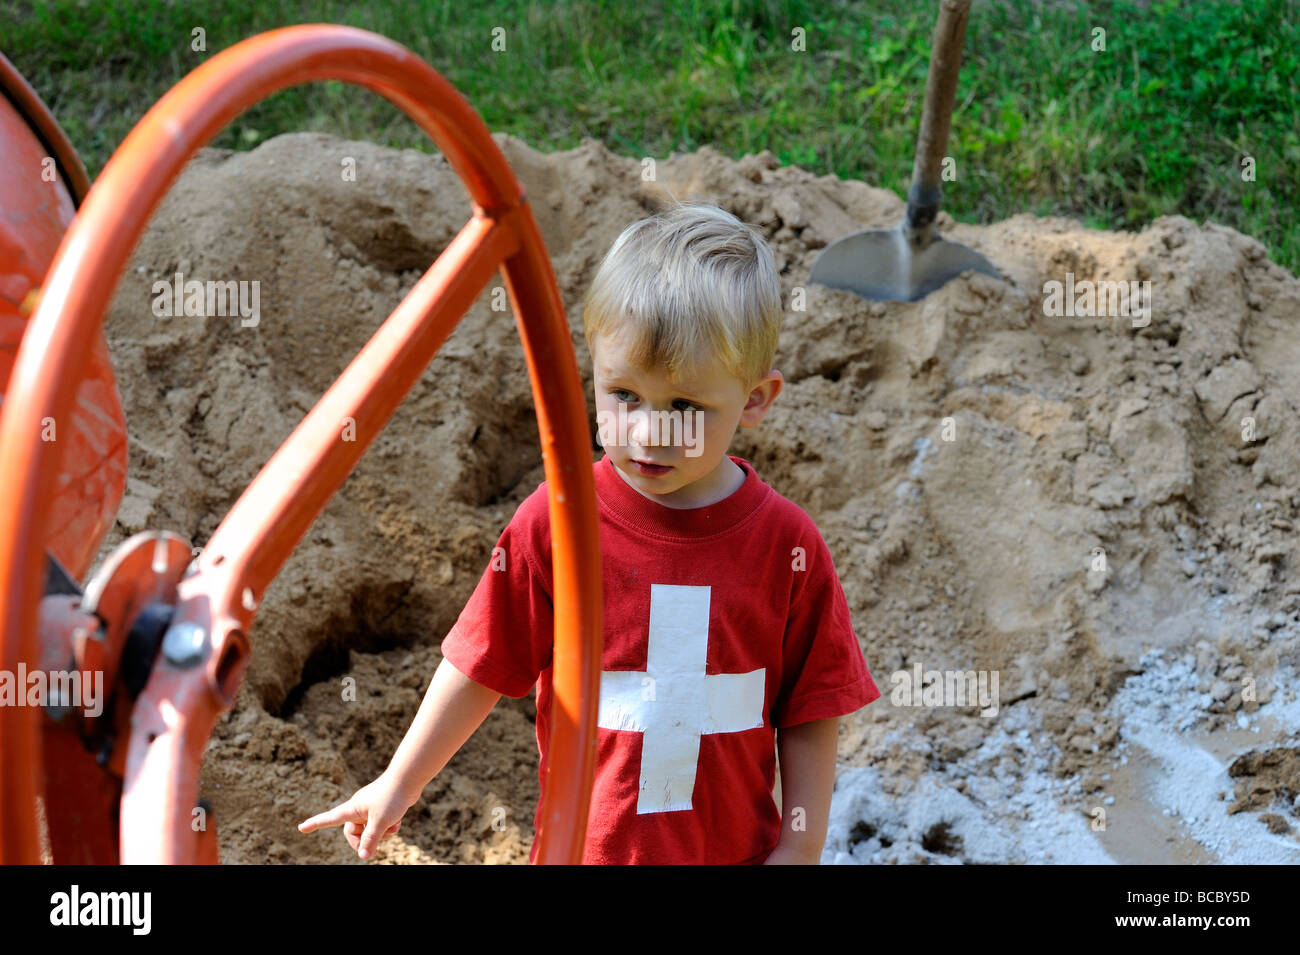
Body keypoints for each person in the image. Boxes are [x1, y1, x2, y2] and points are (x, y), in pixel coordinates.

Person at [298, 200, 881, 864]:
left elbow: (811, 707)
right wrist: (398, 782)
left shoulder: (788, 547)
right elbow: (479, 665)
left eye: (685, 405)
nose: (647, 432)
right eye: (623, 394)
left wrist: (800, 843)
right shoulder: (557, 525)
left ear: (755, 399)